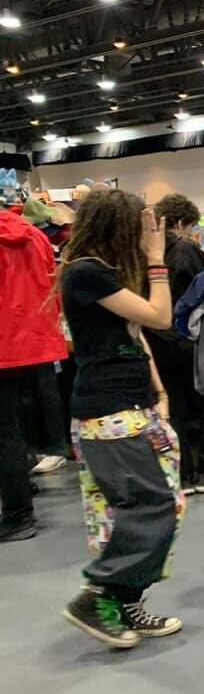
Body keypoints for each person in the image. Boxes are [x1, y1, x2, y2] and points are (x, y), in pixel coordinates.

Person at [57, 190, 184, 648]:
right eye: (142, 226)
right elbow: (159, 317)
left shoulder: (103, 274)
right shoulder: (85, 273)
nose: (148, 234)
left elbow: (136, 337)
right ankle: (98, 595)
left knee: (162, 504)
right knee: (148, 506)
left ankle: (126, 600)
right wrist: (156, 260)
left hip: (133, 407)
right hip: (108, 412)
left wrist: (159, 392)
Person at [145, 194, 204, 495]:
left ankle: (183, 473)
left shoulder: (146, 250)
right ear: (181, 222)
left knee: (174, 408)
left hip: (155, 338)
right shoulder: (186, 249)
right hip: (189, 338)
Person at [0, 208, 69, 542]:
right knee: (18, 423)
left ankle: (17, 513)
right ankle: (19, 488)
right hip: (35, 342)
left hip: (5, 345)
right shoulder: (35, 235)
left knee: (4, 431)